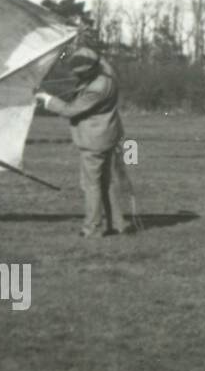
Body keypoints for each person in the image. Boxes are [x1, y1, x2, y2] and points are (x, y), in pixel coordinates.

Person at [36, 46, 135, 238]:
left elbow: (69, 110)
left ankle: (93, 229)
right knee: (106, 183)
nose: (77, 76)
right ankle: (118, 224)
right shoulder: (107, 71)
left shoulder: (97, 88)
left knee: (91, 185)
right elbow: (97, 58)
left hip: (95, 141)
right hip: (109, 136)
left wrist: (46, 99)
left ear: (90, 70)